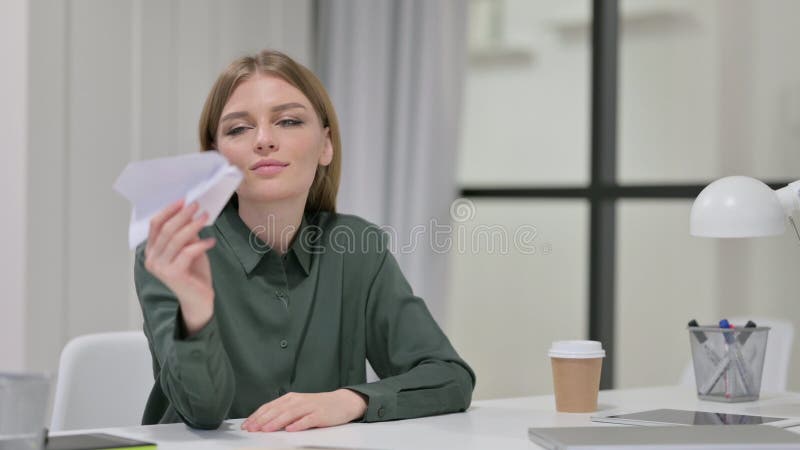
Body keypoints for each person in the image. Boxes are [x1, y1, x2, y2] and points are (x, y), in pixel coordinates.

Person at [134, 49, 475, 432]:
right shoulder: (172, 255)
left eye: (289, 121)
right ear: (215, 158)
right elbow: (204, 411)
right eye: (238, 129)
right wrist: (195, 313)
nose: (263, 140)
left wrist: (350, 400)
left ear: (325, 145)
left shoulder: (358, 247)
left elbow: (450, 378)